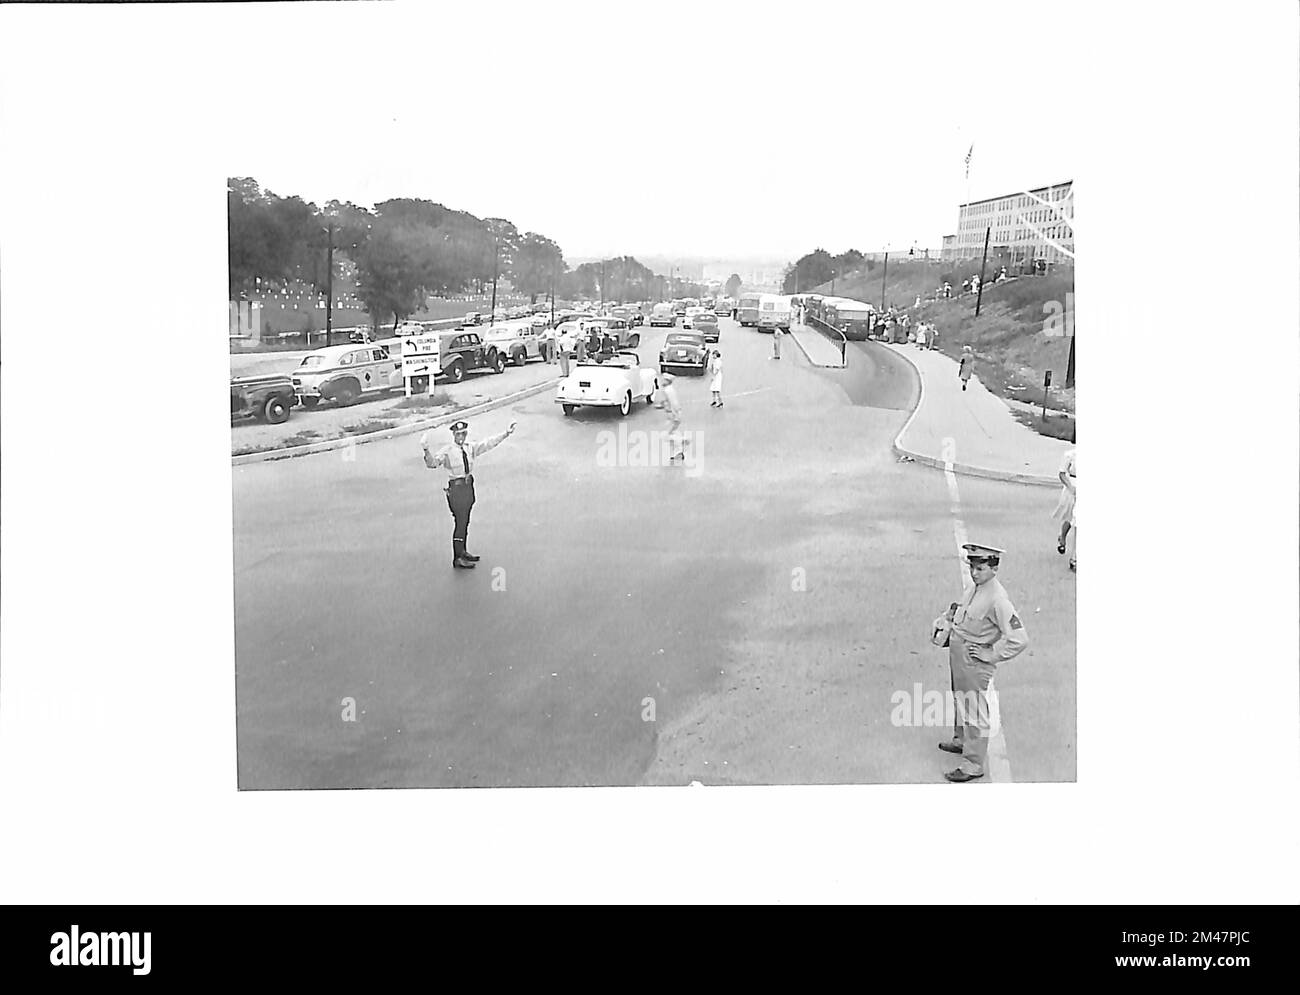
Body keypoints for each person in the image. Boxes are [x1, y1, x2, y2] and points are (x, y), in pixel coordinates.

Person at [935, 543, 1029, 782]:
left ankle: (973, 764)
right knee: (959, 697)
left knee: (973, 709)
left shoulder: (998, 599)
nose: (975, 573)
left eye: (980, 568)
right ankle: (962, 740)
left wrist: (993, 655)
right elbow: (961, 611)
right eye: (972, 567)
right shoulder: (974, 589)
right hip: (959, 653)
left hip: (974, 659)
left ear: (994, 569)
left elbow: (1019, 638)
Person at [421, 419, 517, 569]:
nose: (461, 436)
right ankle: (457, 558)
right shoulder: (447, 451)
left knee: (465, 522)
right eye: (458, 434)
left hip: (468, 488)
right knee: (460, 522)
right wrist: (426, 450)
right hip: (457, 489)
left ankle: (463, 551)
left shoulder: (469, 448)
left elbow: (488, 444)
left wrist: (506, 433)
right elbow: (432, 463)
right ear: (453, 434)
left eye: (463, 433)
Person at [655, 372, 684, 461]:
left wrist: (675, 415)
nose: (662, 381)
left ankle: (680, 448)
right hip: (671, 414)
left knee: (667, 434)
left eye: (664, 380)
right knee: (671, 433)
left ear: (668, 381)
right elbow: (667, 401)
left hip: (673, 415)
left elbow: (673, 403)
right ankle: (676, 452)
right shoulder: (668, 389)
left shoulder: (668, 390)